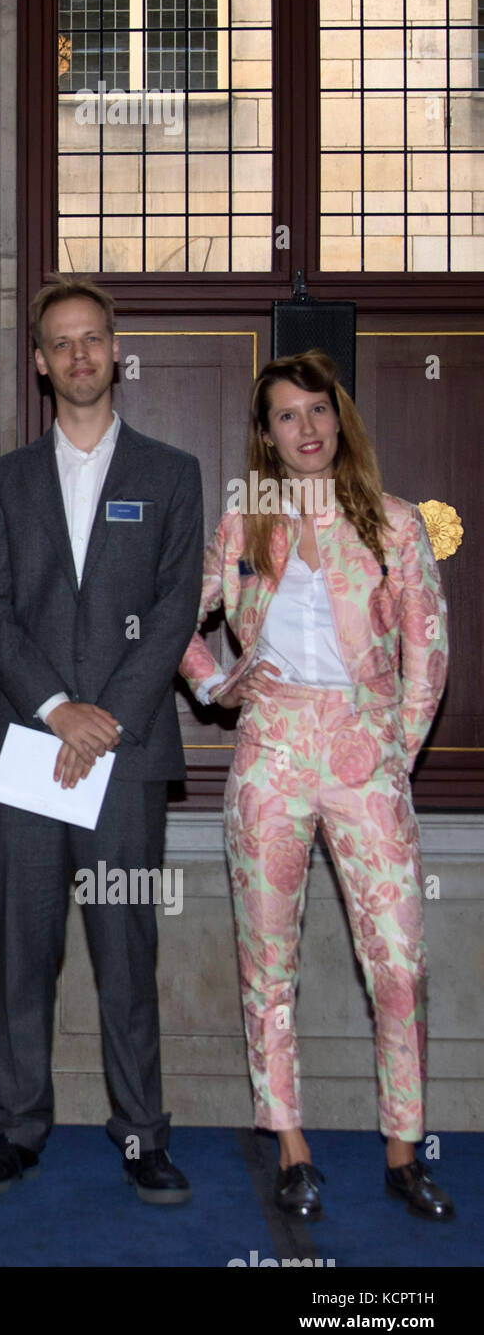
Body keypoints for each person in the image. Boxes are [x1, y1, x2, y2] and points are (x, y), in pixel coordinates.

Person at [180, 349, 454, 1222]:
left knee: (401, 961)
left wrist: (390, 756)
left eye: (320, 410)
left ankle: (405, 1149)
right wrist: (218, 685)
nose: (308, 428)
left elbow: (429, 653)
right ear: (265, 434)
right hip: (270, 755)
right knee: (269, 959)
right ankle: (290, 1142)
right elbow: (177, 622)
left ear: (341, 420)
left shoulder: (394, 523)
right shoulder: (244, 521)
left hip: (365, 753)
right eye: (289, 415)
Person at [0, 276, 203, 1200]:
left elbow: (176, 610)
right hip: (26, 747)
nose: (78, 355)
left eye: (92, 338)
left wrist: (102, 720)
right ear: (39, 361)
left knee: (125, 948)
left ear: (115, 349)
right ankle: (15, 1130)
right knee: (23, 948)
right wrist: (61, 709)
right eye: (60, 343)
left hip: (128, 758)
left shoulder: (171, 474)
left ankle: (143, 1131)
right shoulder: (1, 484)